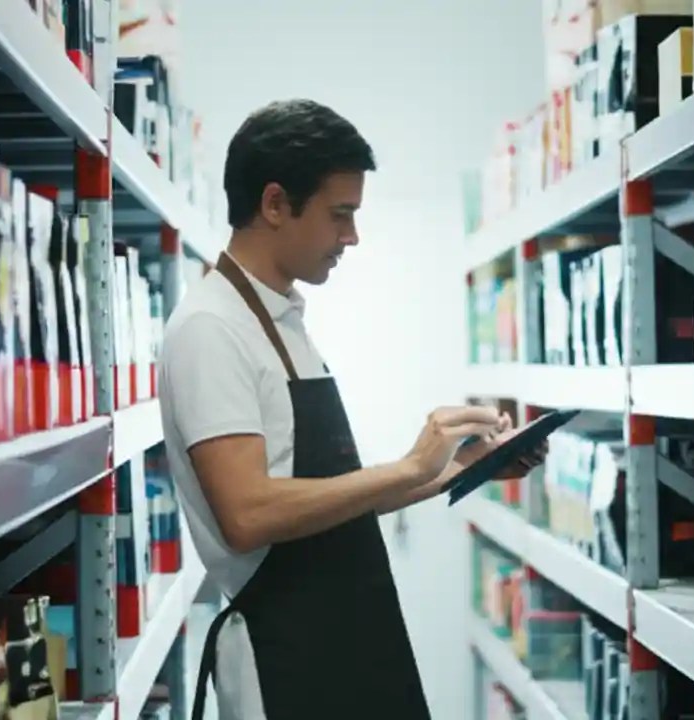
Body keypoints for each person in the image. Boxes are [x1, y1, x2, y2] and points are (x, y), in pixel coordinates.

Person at [159, 99, 545, 720]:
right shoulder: (210, 328)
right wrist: (408, 466)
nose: (352, 236)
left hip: (343, 644)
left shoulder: (281, 322)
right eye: (340, 215)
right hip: (286, 667)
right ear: (275, 203)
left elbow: (325, 497)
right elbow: (248, 513)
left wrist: (456, 469)